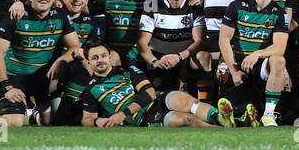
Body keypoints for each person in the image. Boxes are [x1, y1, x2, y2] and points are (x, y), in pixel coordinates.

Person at [0, 0, 81, 128]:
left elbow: (74, 46)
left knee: (52, 123)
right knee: (13, 123)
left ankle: (39, 114)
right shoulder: (16, 15)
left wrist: (61, 61)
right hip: (15, 78)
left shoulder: (60, 16)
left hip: (43, 79)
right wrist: (7, 86)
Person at [79, 40, 235, 128]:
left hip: (156, 100)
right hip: (145, 118)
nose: (100, 60)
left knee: (187, 101)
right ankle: (221, 129)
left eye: (103, 56)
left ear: (109, 57)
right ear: (87, 62)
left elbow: (149, 94)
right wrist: (97, 121)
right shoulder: (91, 90)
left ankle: (221, 118)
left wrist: (122, 114)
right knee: (187, 119)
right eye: (95, 58)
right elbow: (86, 119)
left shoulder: (127, 70)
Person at [218, 0, 290, 126]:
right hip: (239, 67)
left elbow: (280, 47)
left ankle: (269, 115)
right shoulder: (236, 6)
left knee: (278, 60)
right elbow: (224, 40)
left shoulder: (280, 13)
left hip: (261, 67)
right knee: (232, 111)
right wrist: (234, 71)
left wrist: (257, 54)